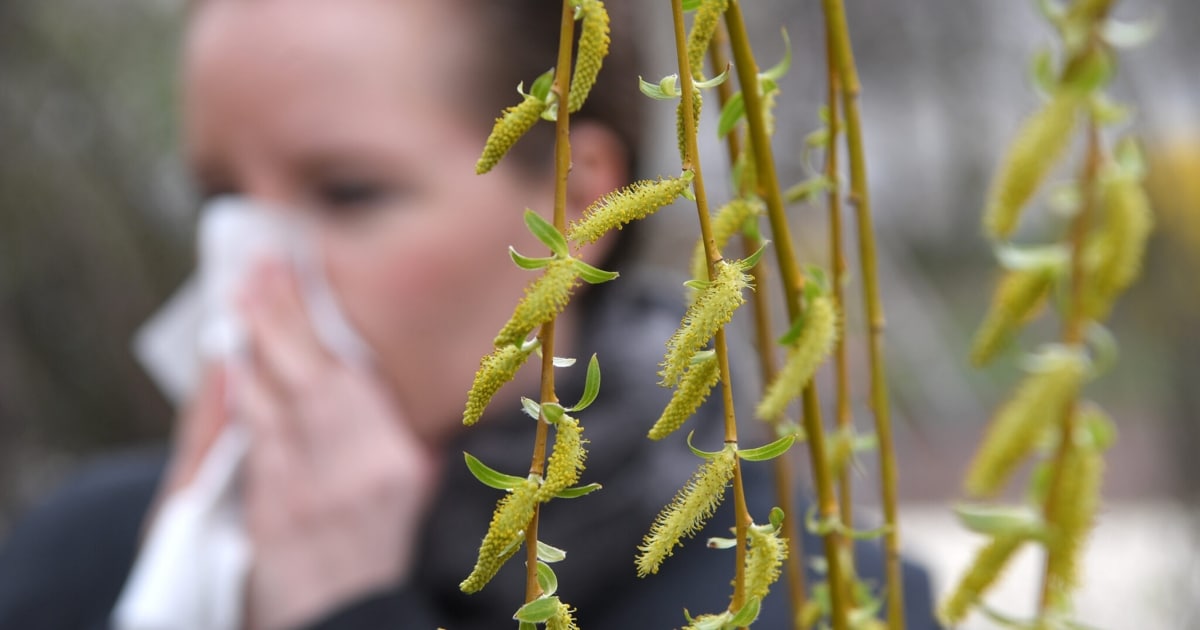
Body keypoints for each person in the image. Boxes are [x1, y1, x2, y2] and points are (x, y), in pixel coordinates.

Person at [0, 0, 940, 628]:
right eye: (221, 202)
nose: (251, 275)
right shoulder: (83, 556)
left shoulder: (805, 595)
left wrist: (345, 607)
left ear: (579, 202)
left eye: (347, 192)